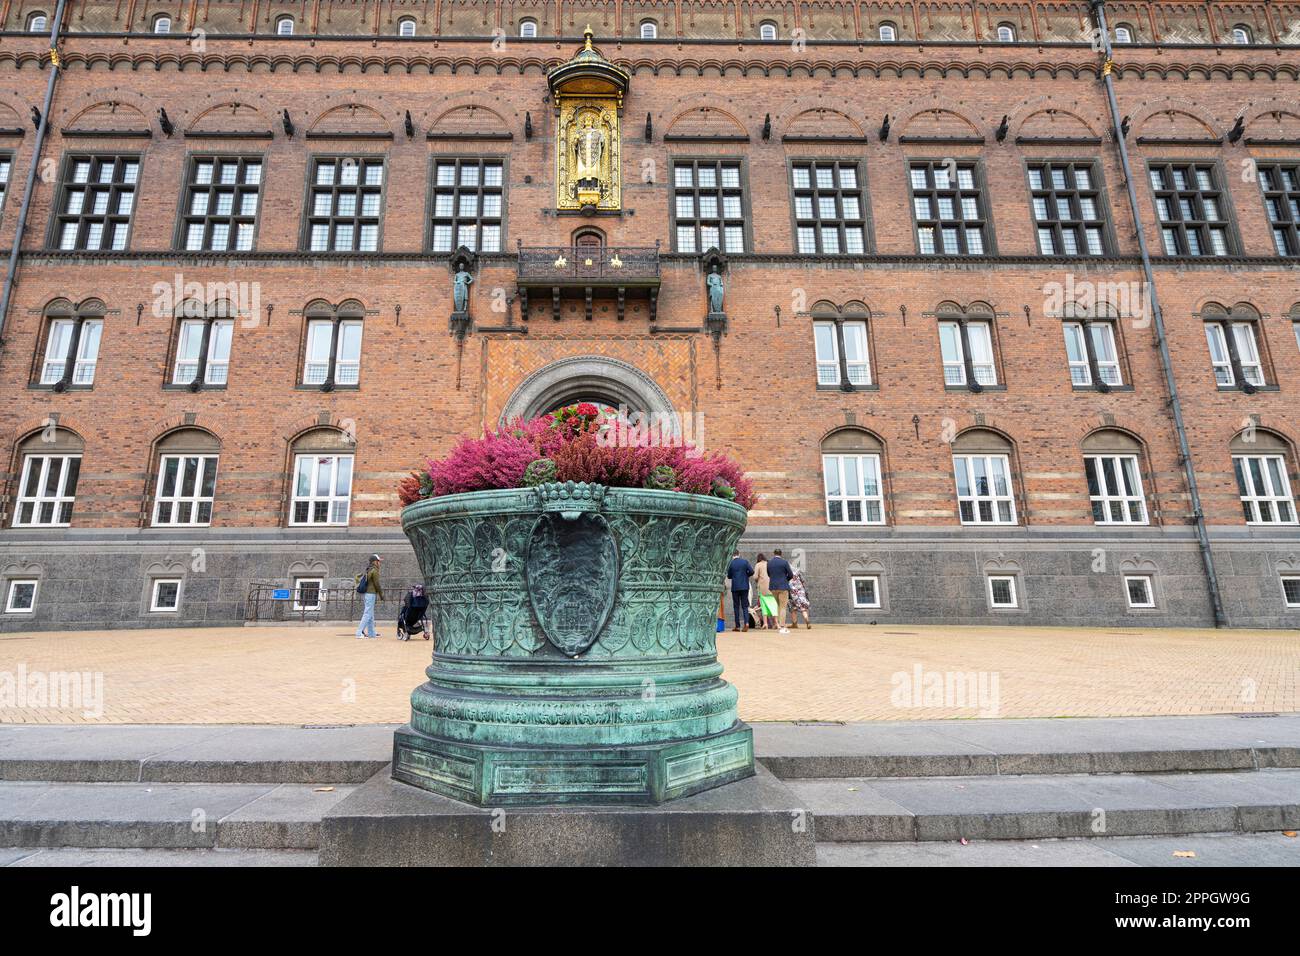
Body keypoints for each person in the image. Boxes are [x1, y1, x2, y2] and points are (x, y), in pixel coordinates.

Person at [355, 553, 384, 640]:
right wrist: (381, 594)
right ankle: (359, 632)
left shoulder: (369, 569)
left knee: (370, 614)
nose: (380, 563)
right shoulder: (374, 571)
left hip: (367, 594)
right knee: (368, 613)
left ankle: (371, 633)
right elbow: (377, 584)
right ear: (375, 562)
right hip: (370, 594)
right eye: (378, 561)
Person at [725, 549, 754, 631]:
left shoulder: (731, 563)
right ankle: (746, 623)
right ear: (739, 554)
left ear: (732, 555)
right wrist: (746, 575)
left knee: (736, 606)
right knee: (745, 606)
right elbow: (752, 571)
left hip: (735, 587)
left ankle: (737, 626)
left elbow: (729, 576)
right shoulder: (745, 562)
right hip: (745, 586)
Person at [767, 548, 794, 634]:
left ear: (774, 553)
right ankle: (782, 626)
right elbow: (790, 574)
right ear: (781, 554)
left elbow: (769, 574)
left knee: (777, 606)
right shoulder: (784, 562)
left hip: (773, 587)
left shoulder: (769, 562)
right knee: (783, 607)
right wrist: (785, 580)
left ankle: (778, 624)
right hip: (783, 587)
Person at [753, 553, 777, 630]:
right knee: (773, 605)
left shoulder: (758, 565)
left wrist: (758, 580)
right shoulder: (770, 563)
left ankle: (765, 624)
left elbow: (755, 576)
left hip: (762, 587)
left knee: (764, 606)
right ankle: (776, 623)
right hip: (772, 587)